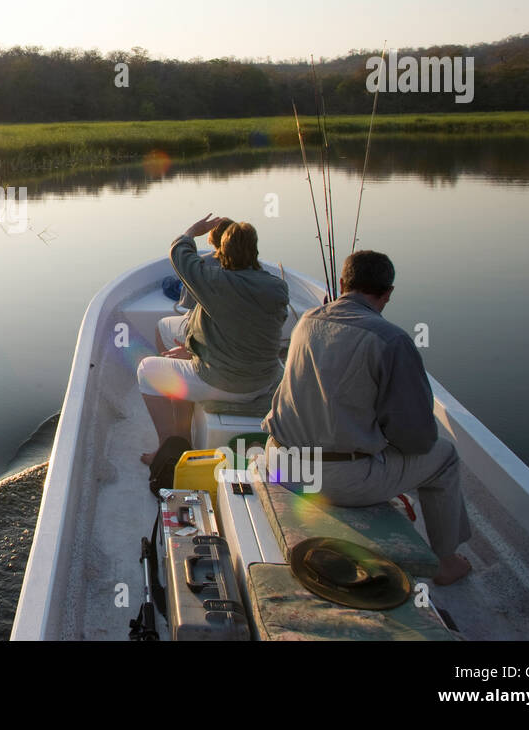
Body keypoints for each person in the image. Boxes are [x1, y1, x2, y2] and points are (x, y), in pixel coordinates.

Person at [261, 250, 473, 586]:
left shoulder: (305, 321)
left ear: (343, 284)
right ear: (388, 293)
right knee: (444, 455)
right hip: (334, 480)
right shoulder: (393, 340)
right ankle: (446, 561)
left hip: (279, 464)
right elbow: (417, 438)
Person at [138, 213, 289, 464]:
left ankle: (170, 444)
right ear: (254, 250)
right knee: (174, 332)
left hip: (222, 383)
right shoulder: (277, 287)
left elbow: (179, 255)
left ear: (222, 253)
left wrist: (192, 231)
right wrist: (194, 351)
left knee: (146, 370)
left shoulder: (214, 281)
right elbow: (246, 334)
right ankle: (182, 426)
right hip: (263, 381)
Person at [156, 216, 235, 355]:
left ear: (213, 240)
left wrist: (191, 232)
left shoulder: (202, 265)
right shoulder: (248, 267)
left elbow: (189, 303)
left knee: (161, 326)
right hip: (233, 333)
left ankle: (171, 368)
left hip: (205, 333)